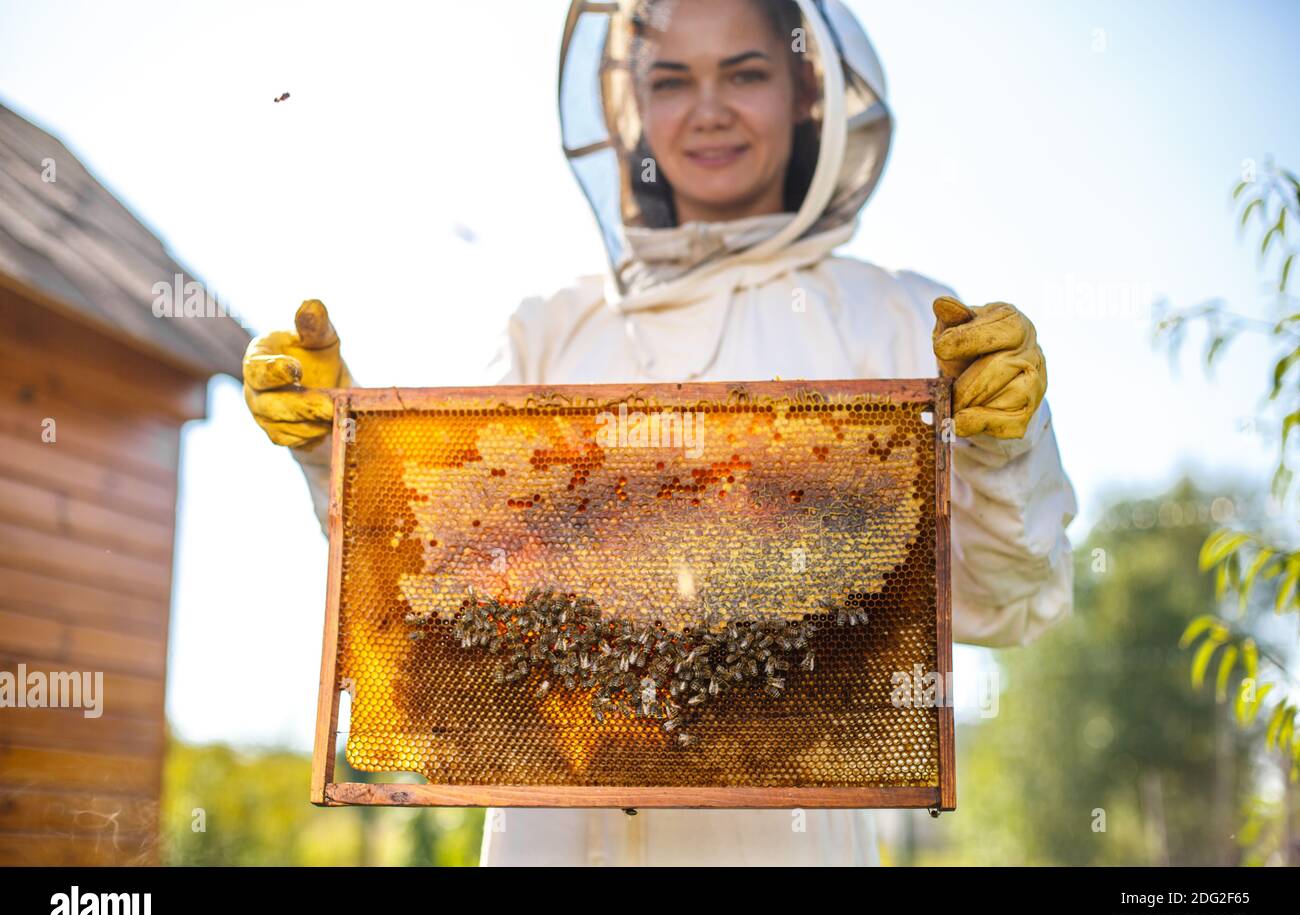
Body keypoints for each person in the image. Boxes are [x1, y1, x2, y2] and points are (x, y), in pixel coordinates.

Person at [242, 0, 1077, 866]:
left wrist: (1005, 443)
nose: (708, 110)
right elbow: (425, 587)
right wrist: (337, 446)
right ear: (627, 107)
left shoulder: (893, 320)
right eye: (671, 80)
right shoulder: (549, 331)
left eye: (745, 72)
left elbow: (1011, 597)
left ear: (805, 89)